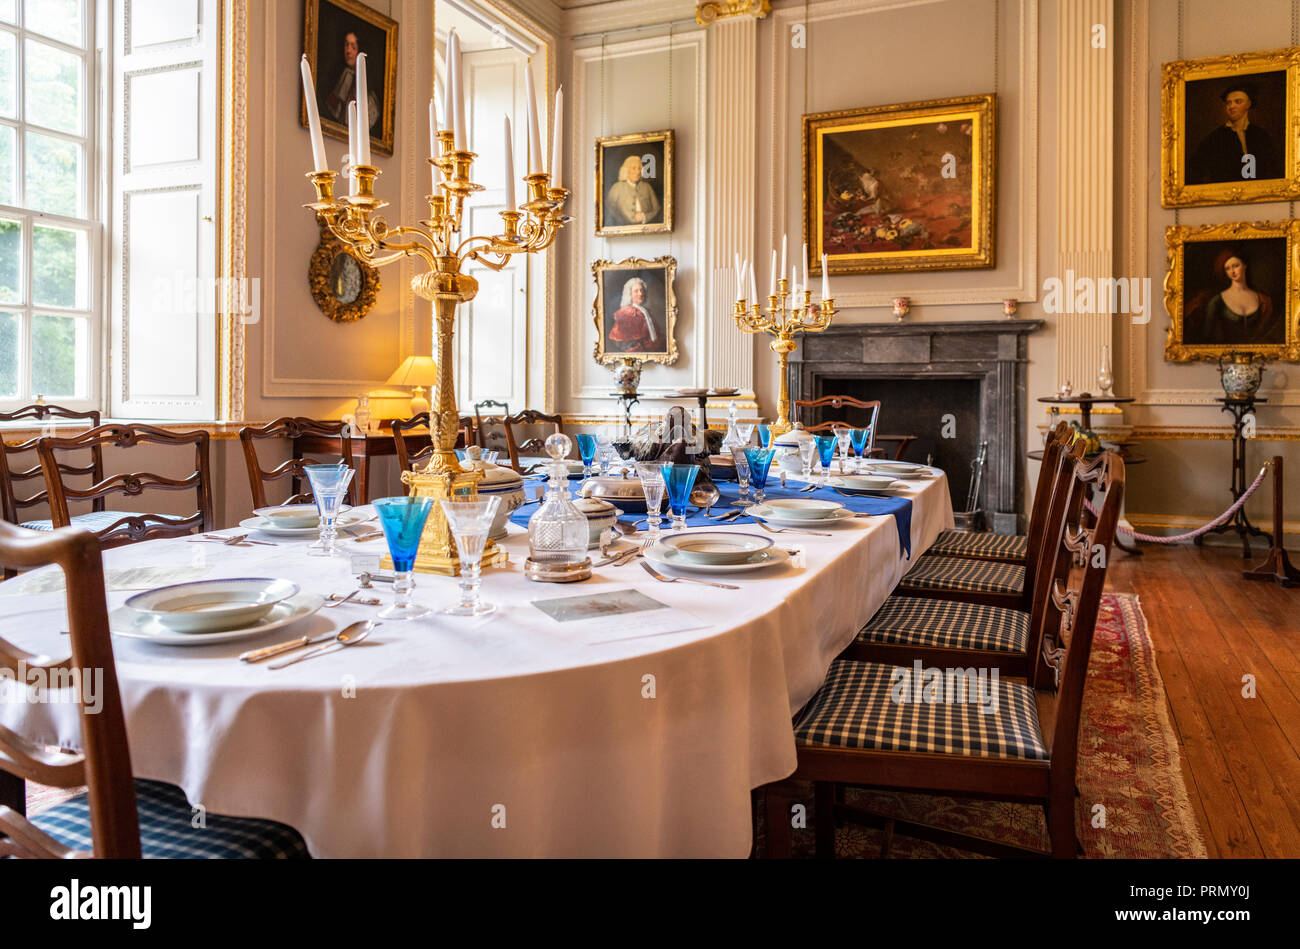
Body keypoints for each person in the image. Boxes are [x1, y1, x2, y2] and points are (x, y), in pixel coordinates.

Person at [1187, 82, 1281, 184]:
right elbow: (1195, 170)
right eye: (1228, 103)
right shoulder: (1215, 138)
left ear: (1248, 104)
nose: (1232, 106)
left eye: (1238, 101)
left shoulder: (1261, 135)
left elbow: (1273, 169)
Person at [1187, 247, 1283, 346]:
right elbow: (1207, 337)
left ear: (1244, 266)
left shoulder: (1263, 300)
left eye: (1236, 266)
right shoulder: (1216, 301)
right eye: (1228, 268)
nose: (1232, 271)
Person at [322, 31, 380, 129]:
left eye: (353, 47)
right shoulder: (342, 76)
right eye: (346, 45)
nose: (348, 51)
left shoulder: (368, 90)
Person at [607, 277, 662, 353]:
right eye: (636, 291)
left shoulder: (646, 311)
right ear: (630, 295)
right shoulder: (625, 313)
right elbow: (622, 343)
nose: (641, 294)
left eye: (642, 290)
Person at [605, 154, 661, 226]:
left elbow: (657, 209)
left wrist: (644, 217)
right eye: (634, 168)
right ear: (626, 170)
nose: (637, 172)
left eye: (639, 168)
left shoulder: (647, 187)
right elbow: (610, 210)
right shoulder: (617, 187)